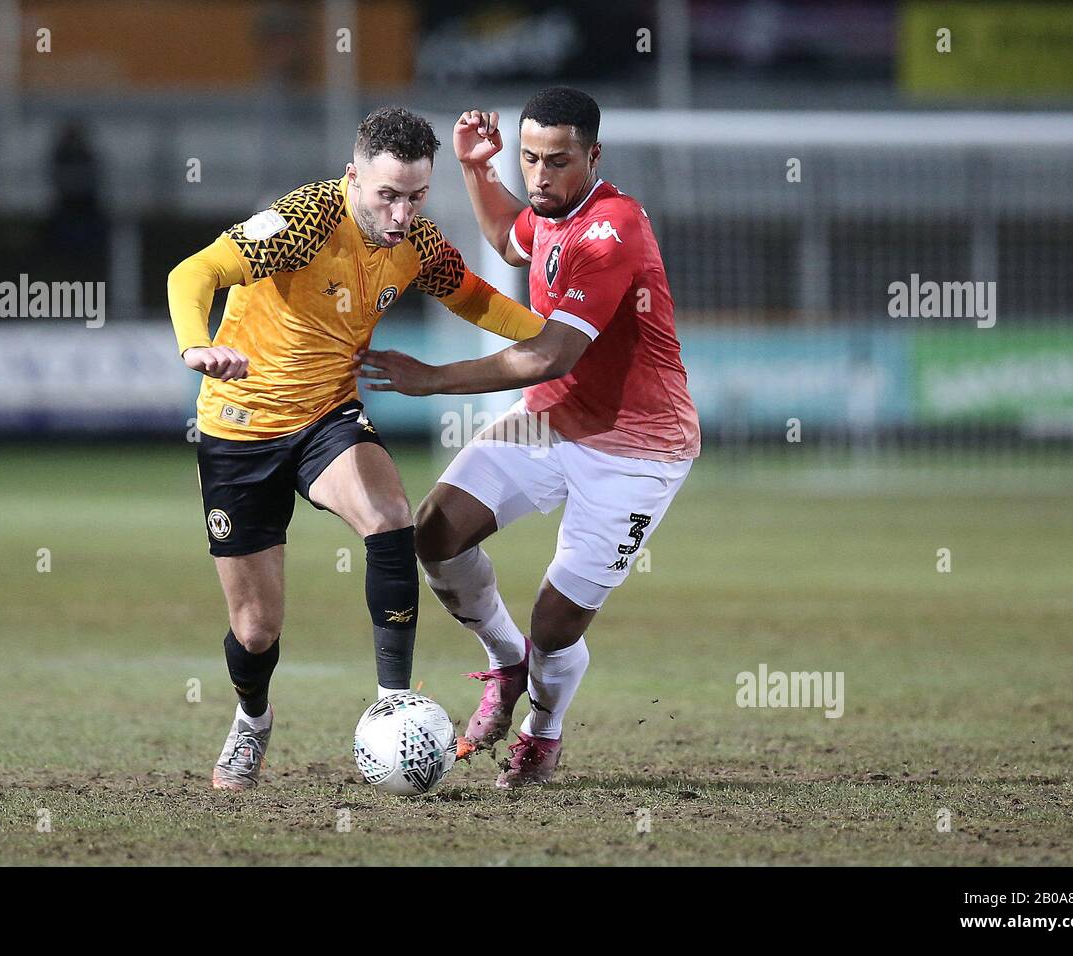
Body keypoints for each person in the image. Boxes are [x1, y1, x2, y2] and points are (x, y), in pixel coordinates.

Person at [166, 107, 545, 791]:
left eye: (416, 196)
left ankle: (392, 701)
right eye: (387, 195)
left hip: (327, 417)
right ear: (353, 178)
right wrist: (197, 343)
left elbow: (481, 302)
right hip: (239, 429)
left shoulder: (418, 244)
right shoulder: (304, 222)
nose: (401, 213)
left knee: (390, 514)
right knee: (255, 630)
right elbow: (192, 273)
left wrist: (557, 338)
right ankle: (252, 718)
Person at [355, 88, 701, 788]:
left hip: (638, 449)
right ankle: (506, 662)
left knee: (556, 627)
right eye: (530, 158)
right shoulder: (548, 209)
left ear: (593, 157)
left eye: (558, 161)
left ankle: (541, 733)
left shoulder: (612, 231)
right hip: (551, 418)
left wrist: (431, 379)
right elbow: (510, 231)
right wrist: (478, 172)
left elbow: (549, 355)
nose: (540, 176)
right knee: (435, 532)